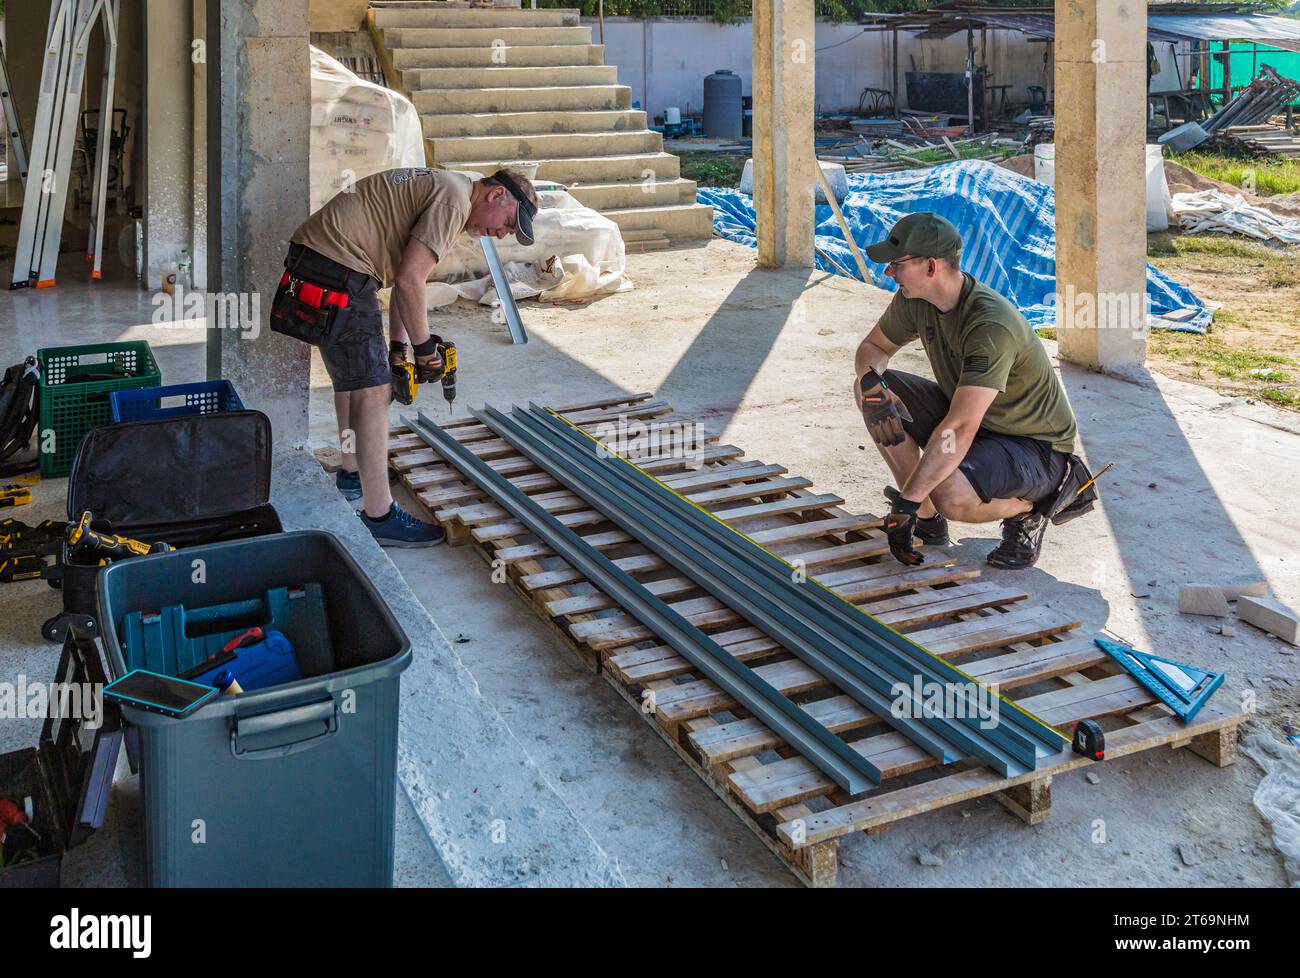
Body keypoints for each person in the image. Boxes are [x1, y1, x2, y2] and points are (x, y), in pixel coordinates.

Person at [270, 166, 538, 547]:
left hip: (322, 260)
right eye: (508, 223)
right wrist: (425, 348)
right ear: (496, 196)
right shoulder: (453, 201)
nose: (501, 233)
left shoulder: (450, 189)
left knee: (354, 384)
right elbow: (411, 280)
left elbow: (403, 280)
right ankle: (379, 515)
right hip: (342, 266)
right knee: (374, 392)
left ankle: (351, 471)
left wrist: (400, 348)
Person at [853, 212, 1095, 569]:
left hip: (1033, 446)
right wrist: (873, 384)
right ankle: (926, 515)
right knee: (867, 391)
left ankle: (1027, 510)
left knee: (950, 492)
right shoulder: (914, 300)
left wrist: (902, 505)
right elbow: (873, 348)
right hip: (976, 422)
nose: (888, 272)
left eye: (897, 264)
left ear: (931, 266)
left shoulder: (989, 325)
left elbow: (959, 429)